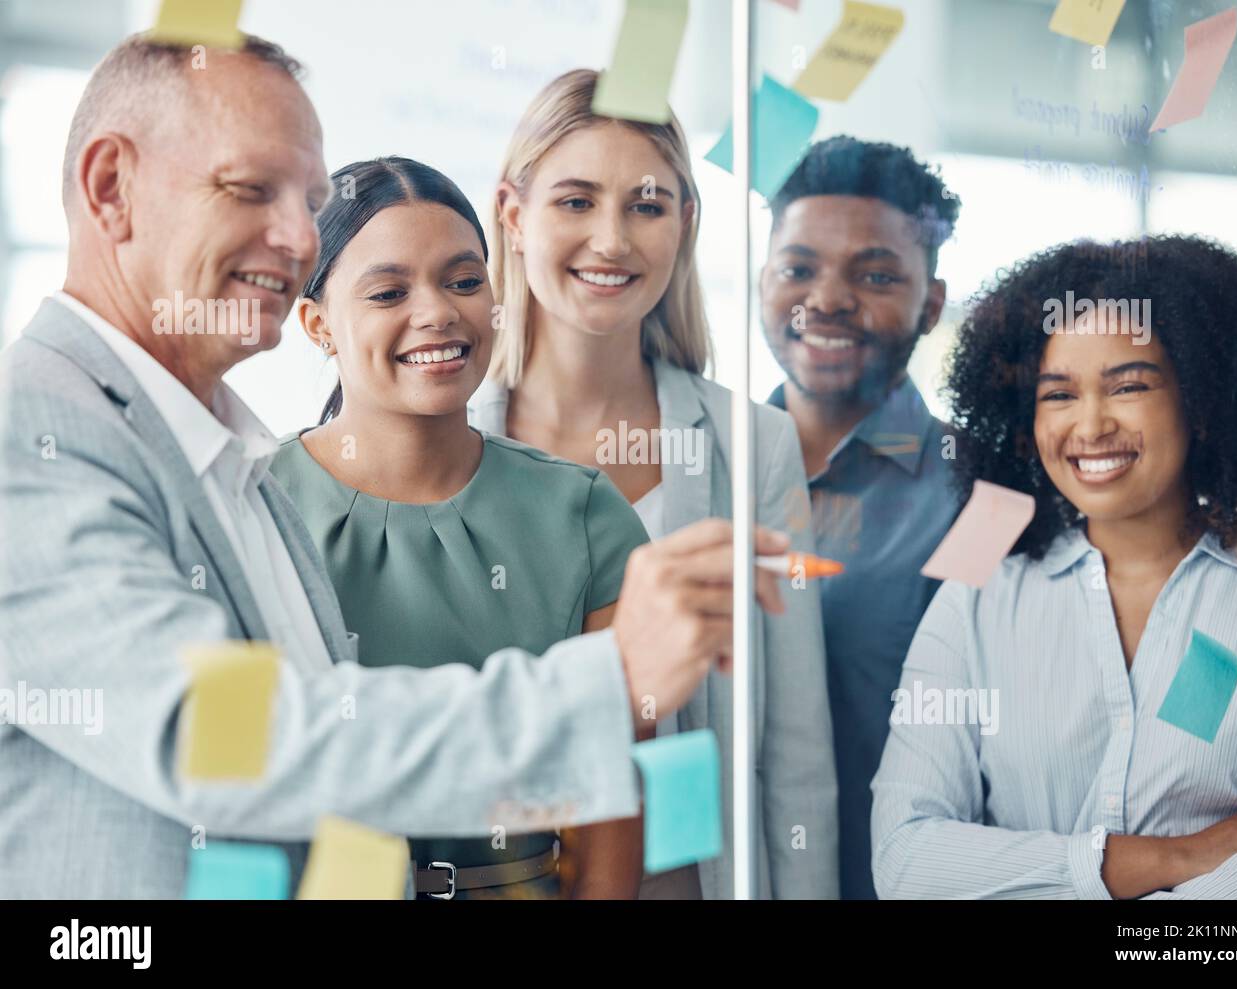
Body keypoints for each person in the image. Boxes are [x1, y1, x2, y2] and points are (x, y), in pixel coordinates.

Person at [0, 33, 787, 900]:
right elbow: (226, 737)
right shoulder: (37, 435)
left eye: (305, 197)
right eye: (251, 189)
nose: (298, 236)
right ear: (112, 189)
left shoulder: (225, 456)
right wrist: (603, 681)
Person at [469, 69, 838, 899]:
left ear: (686, 224)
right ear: (512, 216)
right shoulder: (450, 435)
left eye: (645, 204)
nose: (612, 240)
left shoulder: (757, 446)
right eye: (574, 201)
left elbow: (797, 756)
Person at [871, 235, 1237, 899]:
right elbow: (906, 858)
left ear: (1204, 402)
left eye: (1128, 385)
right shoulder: (977, 588)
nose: (1092, 424)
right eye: (1059, 394)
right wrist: (1169, 858)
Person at [270, 156, 646, 898]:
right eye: (388, 291)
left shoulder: (587, 514)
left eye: (464, 281)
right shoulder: (254, 507)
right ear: (318, 325)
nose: (438, 311)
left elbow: (609, 806)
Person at [759, 137, 961, 899]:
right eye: (798, 269)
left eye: (875, 275)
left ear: (930, 304)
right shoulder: (701, 466)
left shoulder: (986, 495)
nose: (829, 298)